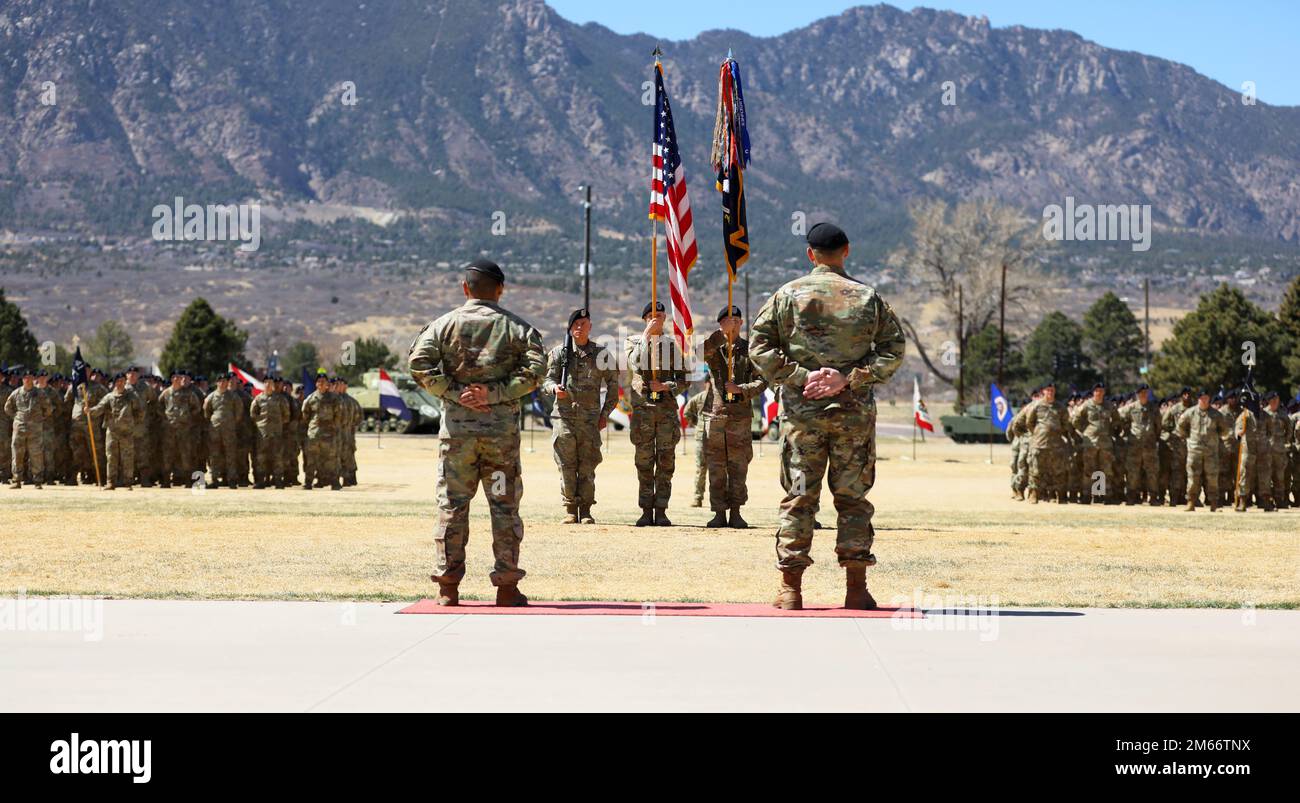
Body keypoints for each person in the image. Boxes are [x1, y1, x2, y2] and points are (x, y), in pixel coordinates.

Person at [750, 222, 905, 611]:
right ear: (847, 251)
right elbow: (893, 349)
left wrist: (802, 376)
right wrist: (849, 378)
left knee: (799, 496)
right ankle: (856, 588)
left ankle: (791, 590)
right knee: (853, 498)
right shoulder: (868, 298)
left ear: (810, 254)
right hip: (853, 417)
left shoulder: (788, 295)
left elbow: (759, 347)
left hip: (803, 421)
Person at [408, 259, 545, 607]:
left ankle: (448, 588)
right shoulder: (518, 329)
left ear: (465, 288)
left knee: (453, 506)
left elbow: (418, 363)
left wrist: (457, 393)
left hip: (458, 436)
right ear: (500, 289)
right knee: (503, 507)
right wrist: (494, 393)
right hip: (499, 437)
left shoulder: (443, 325)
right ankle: (507, 588)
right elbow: (536, 371)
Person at [543, 307, 618, 524]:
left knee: (587, 465)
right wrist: (554, 389)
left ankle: (585, 510)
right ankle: (569, 508)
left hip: (590, 420)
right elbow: (546, 380)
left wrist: (605, 414)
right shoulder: (559, 353)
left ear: (590, 327)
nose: (579, 327)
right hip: (564, 417)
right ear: (570, 328)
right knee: (566, 465)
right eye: (576, 324)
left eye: (584, 323)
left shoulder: (601, 354)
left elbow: (614, 386)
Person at [700, 305, 767, 528]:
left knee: (738, 466)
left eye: (737, 320)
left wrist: (741, 389)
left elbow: (762, 381)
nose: (734, 324)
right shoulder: (715, 349)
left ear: (742, 324)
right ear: (721, 323)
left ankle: (736, 511)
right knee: (716, 466)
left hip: (740, 418)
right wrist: (720, 335)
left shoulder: (751, 350)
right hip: (716, 415)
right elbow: (700, 353)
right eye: (729, 321)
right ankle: (718, 512)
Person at [625, 300, 687, 526]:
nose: (656, 318)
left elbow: (684, 379)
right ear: (644, 319)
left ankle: (661, 509)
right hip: (643, 412)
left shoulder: (673, 346)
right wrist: (646, 336)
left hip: (666, 413)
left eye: (660, 315)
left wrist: (667, 386)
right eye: (652, 315)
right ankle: (645, 510)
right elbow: (635, 363)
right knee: (643, 462)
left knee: (665, 462)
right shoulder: (633, 341)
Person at [90, 372, 144, 490]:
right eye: (118, 381)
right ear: (115, 383)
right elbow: (100, 408)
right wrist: (89, 410)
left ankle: (128, 482)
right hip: (112, 431)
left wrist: (132, 422)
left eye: (123, 381)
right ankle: (111, 482)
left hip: (126, 432)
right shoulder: (109, 397)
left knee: (127, 457)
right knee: (111, 457)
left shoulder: (131, 396)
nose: (120, 383)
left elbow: (140, 410)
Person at [1177, 388, 1226, 511]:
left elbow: (1224, 429)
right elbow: (1181, 426)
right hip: (1195, 450)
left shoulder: (1216, 414)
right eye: (1202, 398)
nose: (1204, 401)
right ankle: (1191, 502)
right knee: (1193, 477)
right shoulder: (1190, 412)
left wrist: (1215, 439)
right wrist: (1188, 437)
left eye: (1206, 399)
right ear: (1198, 399)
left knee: (1212, 478)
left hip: (1211, 452)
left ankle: (1214, 502)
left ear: (1209, 399)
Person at [1021, 382, 1070, 504]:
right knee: (1035, 471)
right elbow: (1029, 422)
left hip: (1056, 445)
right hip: (1039, 444)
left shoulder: (1060, 407)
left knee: (1058, 471)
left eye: (1052, 390)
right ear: (1043, 391)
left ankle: (1060, 495)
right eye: (1048, 390)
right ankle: (1034, 494)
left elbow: (1065, 424)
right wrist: (1039, 433)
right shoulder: (1036, 406)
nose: (1050, 392)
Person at [5, 368, 53, 489]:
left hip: (35, 429)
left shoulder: (40, 393)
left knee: (36, 454)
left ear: (33, 379)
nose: (28, 380)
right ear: (23, 379)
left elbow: (48, 408)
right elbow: (7, 407)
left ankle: (37, 480)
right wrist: (16, 417)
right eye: (26, 378)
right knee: (17, 453)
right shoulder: (16, 393)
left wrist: (40, 418)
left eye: (30, 377)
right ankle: (17, 480)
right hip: (19, 427)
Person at [1071, 383, 1116, 504]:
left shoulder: (1109, 405)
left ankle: (1100, 495)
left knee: (1104, 469)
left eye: (1101, 391)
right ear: (1093, 393)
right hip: (1090, 442)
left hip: (1105, 442)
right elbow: (1075, 420)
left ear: (1104, 392)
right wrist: (1084, 430)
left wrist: (1110, 431)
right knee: (1089, 469)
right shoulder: (1087, 405)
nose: (1099, 393)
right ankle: (1086, 495)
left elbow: (1116, 420)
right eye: (1097, 391)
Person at [158, 371, 203, 488]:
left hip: (184, 429)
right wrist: (165, 417)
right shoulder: (166, 393)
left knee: (185, 454)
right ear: (172, 379)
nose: (179, 379)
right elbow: (159, 406)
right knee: (168, 454)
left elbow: (197, 407)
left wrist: (188, 417)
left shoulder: (188, 393)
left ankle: (188, 480)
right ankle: (166, 480)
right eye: (177, 377)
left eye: (180, 377)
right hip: (169, 429)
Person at [301, 374, 341, 491]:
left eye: (324, 381)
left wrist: (333, 427)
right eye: (319, 381)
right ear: (316, 384)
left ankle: (334, 482)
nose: (322, 383)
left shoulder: (334, 398)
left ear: (327, 384)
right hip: (314, 435)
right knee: (311, 460)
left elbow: (338, 414)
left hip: (329, 434)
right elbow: (305, 415)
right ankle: (308, 482)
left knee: (331, 459)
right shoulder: (310, 399)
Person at [251, 376, 291, 488]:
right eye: (266, 383)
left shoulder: (280, 399)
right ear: (263, 384)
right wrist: (261, 424)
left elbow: (286, 415)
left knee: (277, 457)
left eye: (270, 383)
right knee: (261, 458)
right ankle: (260, 481)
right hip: (262, 434)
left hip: (276, 433)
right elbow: (253, 414)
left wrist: (277, 425)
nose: (268, 385)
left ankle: (278, 480)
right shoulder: (258, 399)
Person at [203, 374, 242, 489]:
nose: (223, 383)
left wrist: (233, 421)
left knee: (230, 454)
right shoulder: (211, 396)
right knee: (214, 455)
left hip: (229, 430)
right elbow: (206, 411)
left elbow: (239, 410)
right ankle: (214, 479)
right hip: (215, 430)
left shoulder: (233, 396)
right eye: (220, 381)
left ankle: (232, 480)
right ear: (217, 383)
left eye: (225, 381)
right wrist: (213, 421)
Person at [682, 386, 709, 507]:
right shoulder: (700, 397)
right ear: (706, 383)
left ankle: (720, 499)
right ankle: (698, 498)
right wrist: (697, 424)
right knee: (701, 469)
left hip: (717, 439)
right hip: (701, 438)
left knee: (719, 470)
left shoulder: (721, 397)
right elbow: (686, 412)